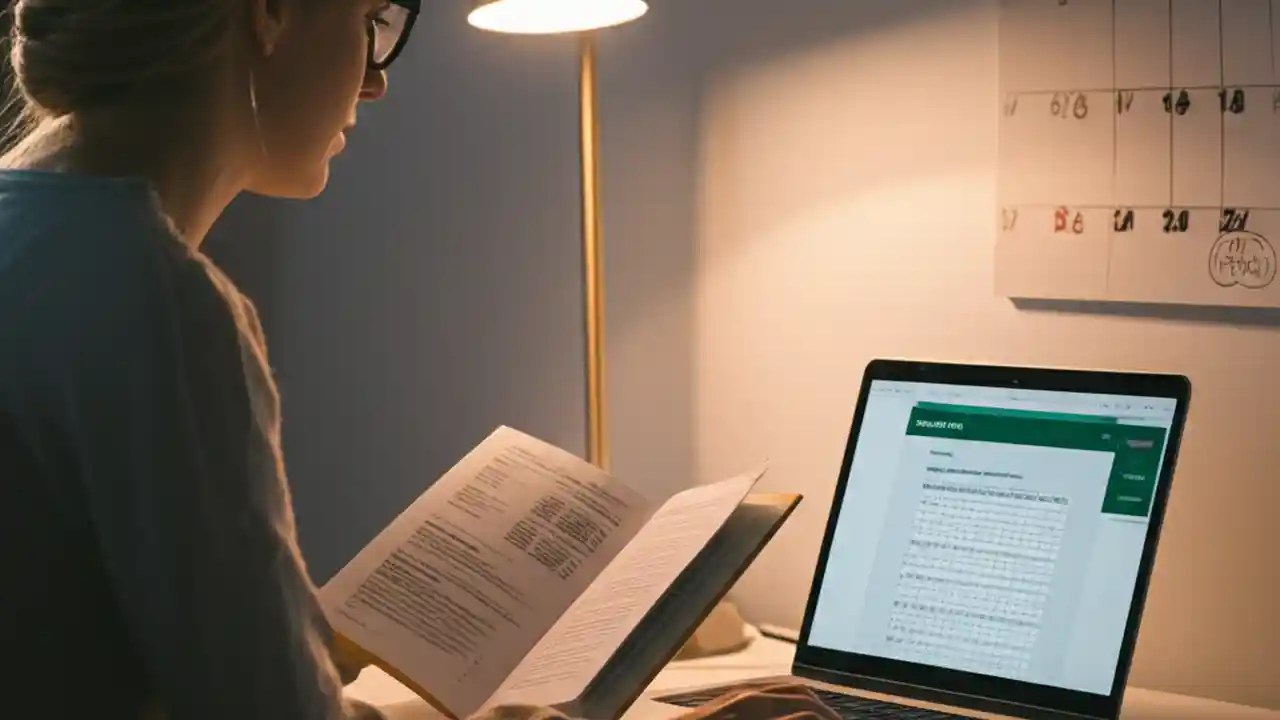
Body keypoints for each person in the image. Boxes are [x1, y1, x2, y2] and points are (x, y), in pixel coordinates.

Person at [0, 1, 840, 718]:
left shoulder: (39, 234)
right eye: (370, 20)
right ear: (269, 13)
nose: (376, 79)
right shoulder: (157, 302)